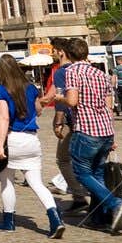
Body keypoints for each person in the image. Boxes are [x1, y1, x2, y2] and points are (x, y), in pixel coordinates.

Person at [0, 54, 62, 236]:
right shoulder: (31, 88)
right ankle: (55, 218)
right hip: (31, 140)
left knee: (7, 180)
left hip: (13, 139)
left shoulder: (1, 91)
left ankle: (8, 221)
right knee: (37, 183)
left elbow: (4, 118)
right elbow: (38, 110)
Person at [59, 36, 122, 230]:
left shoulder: (72, 71)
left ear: (69, 54)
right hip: (105, 130)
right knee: (97, 174)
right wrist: (112, 134)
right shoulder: (100, 73)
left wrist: (59, 97)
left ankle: (115, 204)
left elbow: (72, 101)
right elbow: (108, 106)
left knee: (81, 173)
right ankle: (99, 218)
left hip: (86, 130)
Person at [40, 38, 87, 213]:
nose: (52, 53)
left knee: (63, 159)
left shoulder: (61, 72)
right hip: (89, 122)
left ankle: (79, 197)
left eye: (54, 50)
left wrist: (58, 122)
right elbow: (50, 96)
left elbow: (60, 99)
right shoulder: (83, 69)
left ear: (61, 52)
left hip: (70, 121)